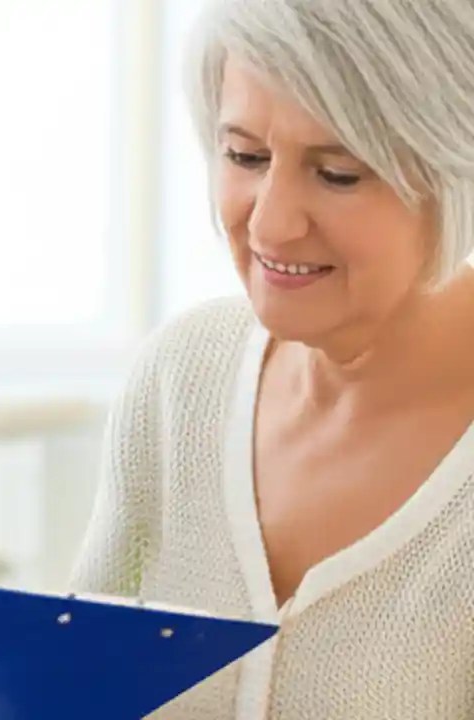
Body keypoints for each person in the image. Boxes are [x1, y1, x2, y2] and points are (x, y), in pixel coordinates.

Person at [71, 0, 474, 717]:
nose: (269, 223)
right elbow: (68, 688)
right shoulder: (183, 376)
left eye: (339, 173)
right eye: (245, 157)